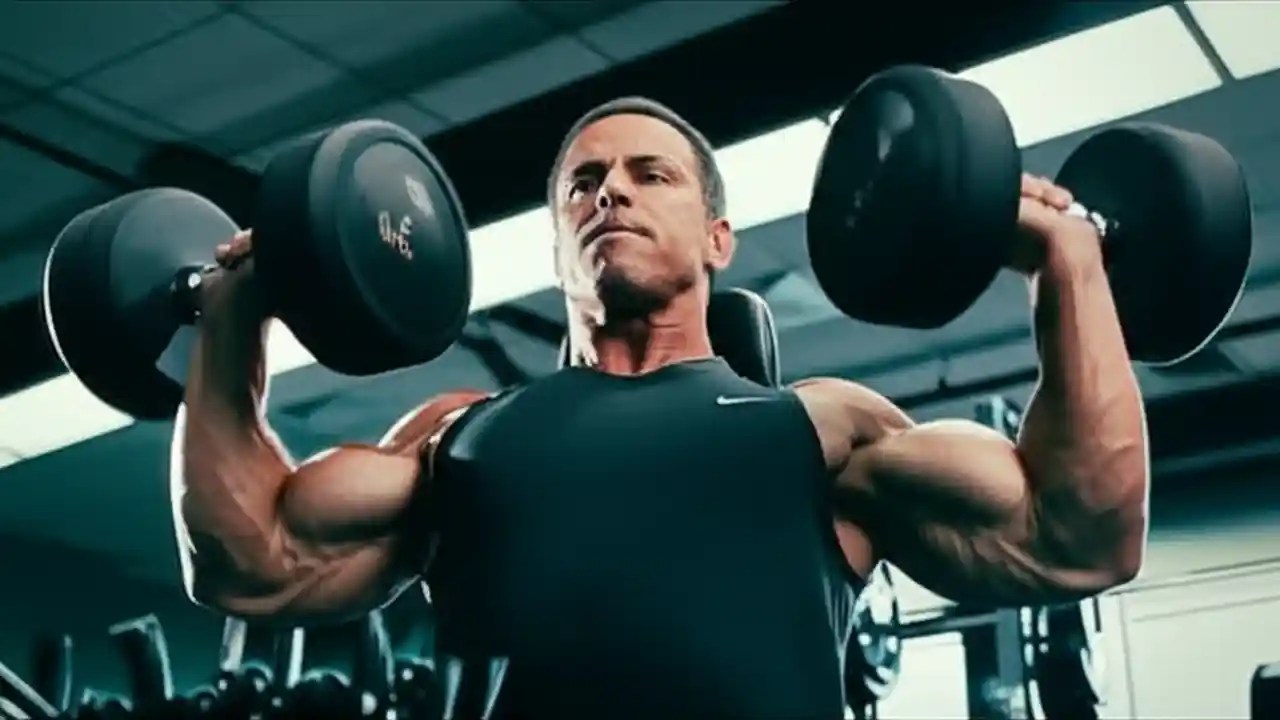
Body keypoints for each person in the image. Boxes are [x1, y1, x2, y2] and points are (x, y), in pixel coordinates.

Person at [173, 97, 1148, 718]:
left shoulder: (820, 431)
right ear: (557, 249)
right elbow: (249, 559)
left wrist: (1067, 264)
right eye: (582, 186)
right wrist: (232, 321)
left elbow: (1079, 535)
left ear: (717, 236)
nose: (610, 195)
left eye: (650, 175)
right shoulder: (458, 435)